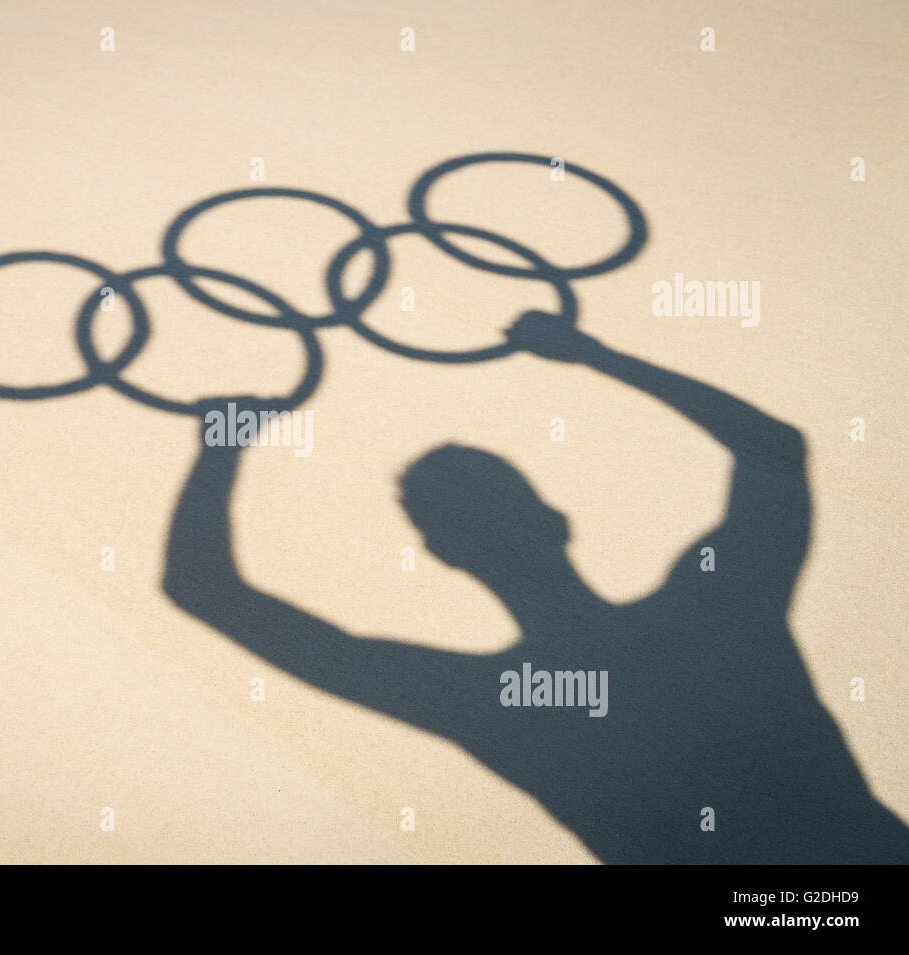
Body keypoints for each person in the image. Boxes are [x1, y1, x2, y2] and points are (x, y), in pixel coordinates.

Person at [163, 311, 909, 863]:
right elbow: (772, 445)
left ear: (445, 554)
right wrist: (591, 353)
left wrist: (223, 446)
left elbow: (204, 588)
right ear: (557, 517)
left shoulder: (492, 700)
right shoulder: (718, 611)